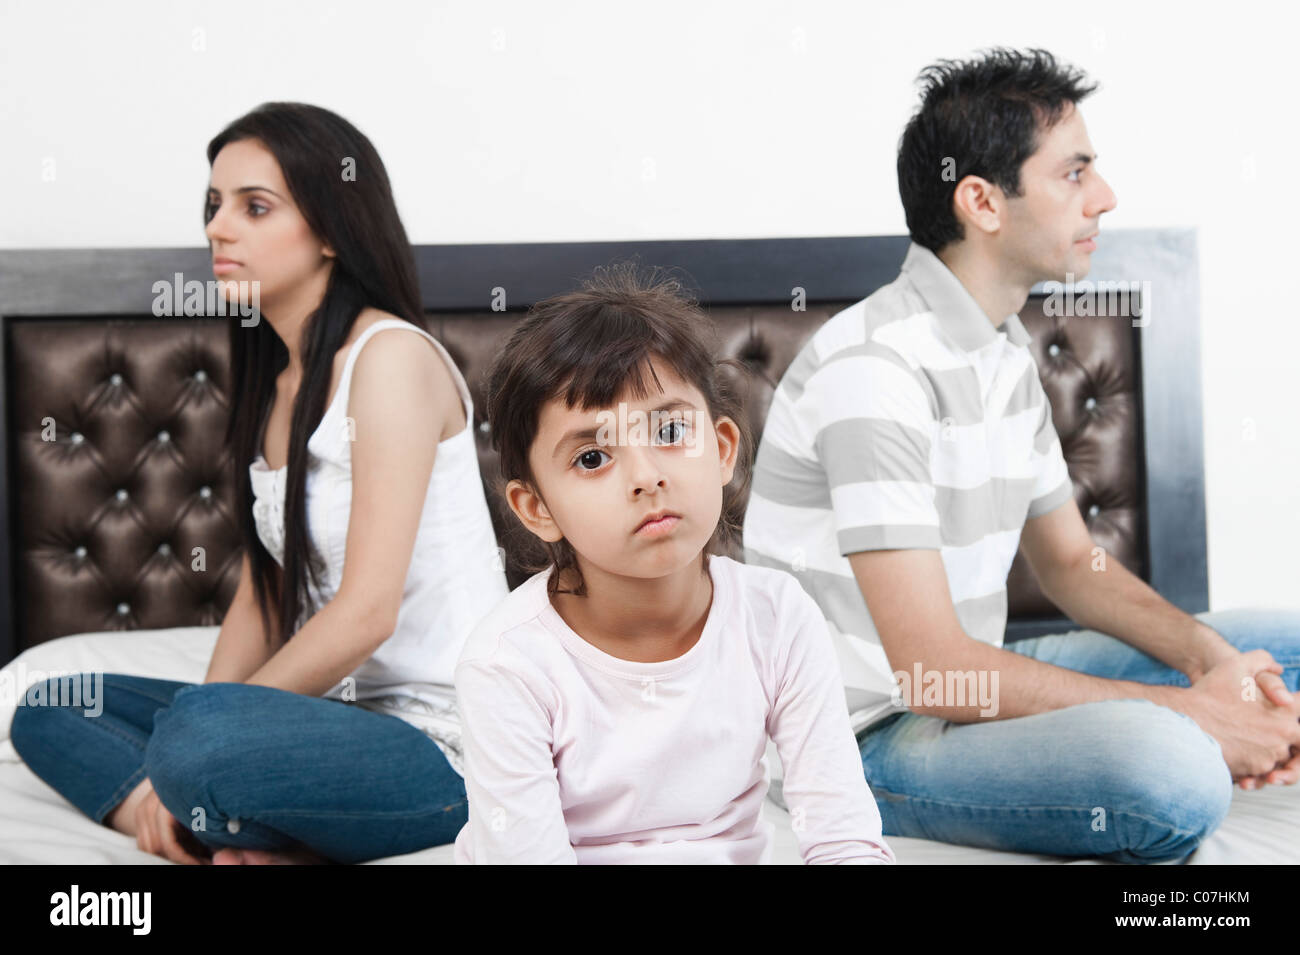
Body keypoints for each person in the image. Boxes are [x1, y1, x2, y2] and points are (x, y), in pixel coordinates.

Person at [742, 48, 1300, 863]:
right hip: (868, 734)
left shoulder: (1002, 354)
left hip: (975, 676)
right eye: (1074, 173)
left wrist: (1212, 662)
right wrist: (1193, 716)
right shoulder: (875, 368)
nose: (1104, 197)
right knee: (1175, 771)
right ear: (981, 202)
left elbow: (1075, 565)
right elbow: (931, 672)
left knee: (1282, 645)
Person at [10, 102, 509, 865]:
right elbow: (265, 590)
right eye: (214, 205)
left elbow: (367, 613)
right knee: (46, 704)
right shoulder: (277, 385)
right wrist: (199, 719)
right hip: (324, 721)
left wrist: (203, 730)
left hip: (441, 743)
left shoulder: (390, 360)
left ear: (332, 230)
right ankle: (228, 827)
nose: (217, 228)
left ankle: (229, 815)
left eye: (254, 206)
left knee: (200, 743)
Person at [451, 264, 895, 864]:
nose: (647, 476)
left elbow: (843, 839)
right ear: (537, 508)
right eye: (591, 457)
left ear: (721, 450)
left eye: (669, 430)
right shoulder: (507, 664)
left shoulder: (777, 616)